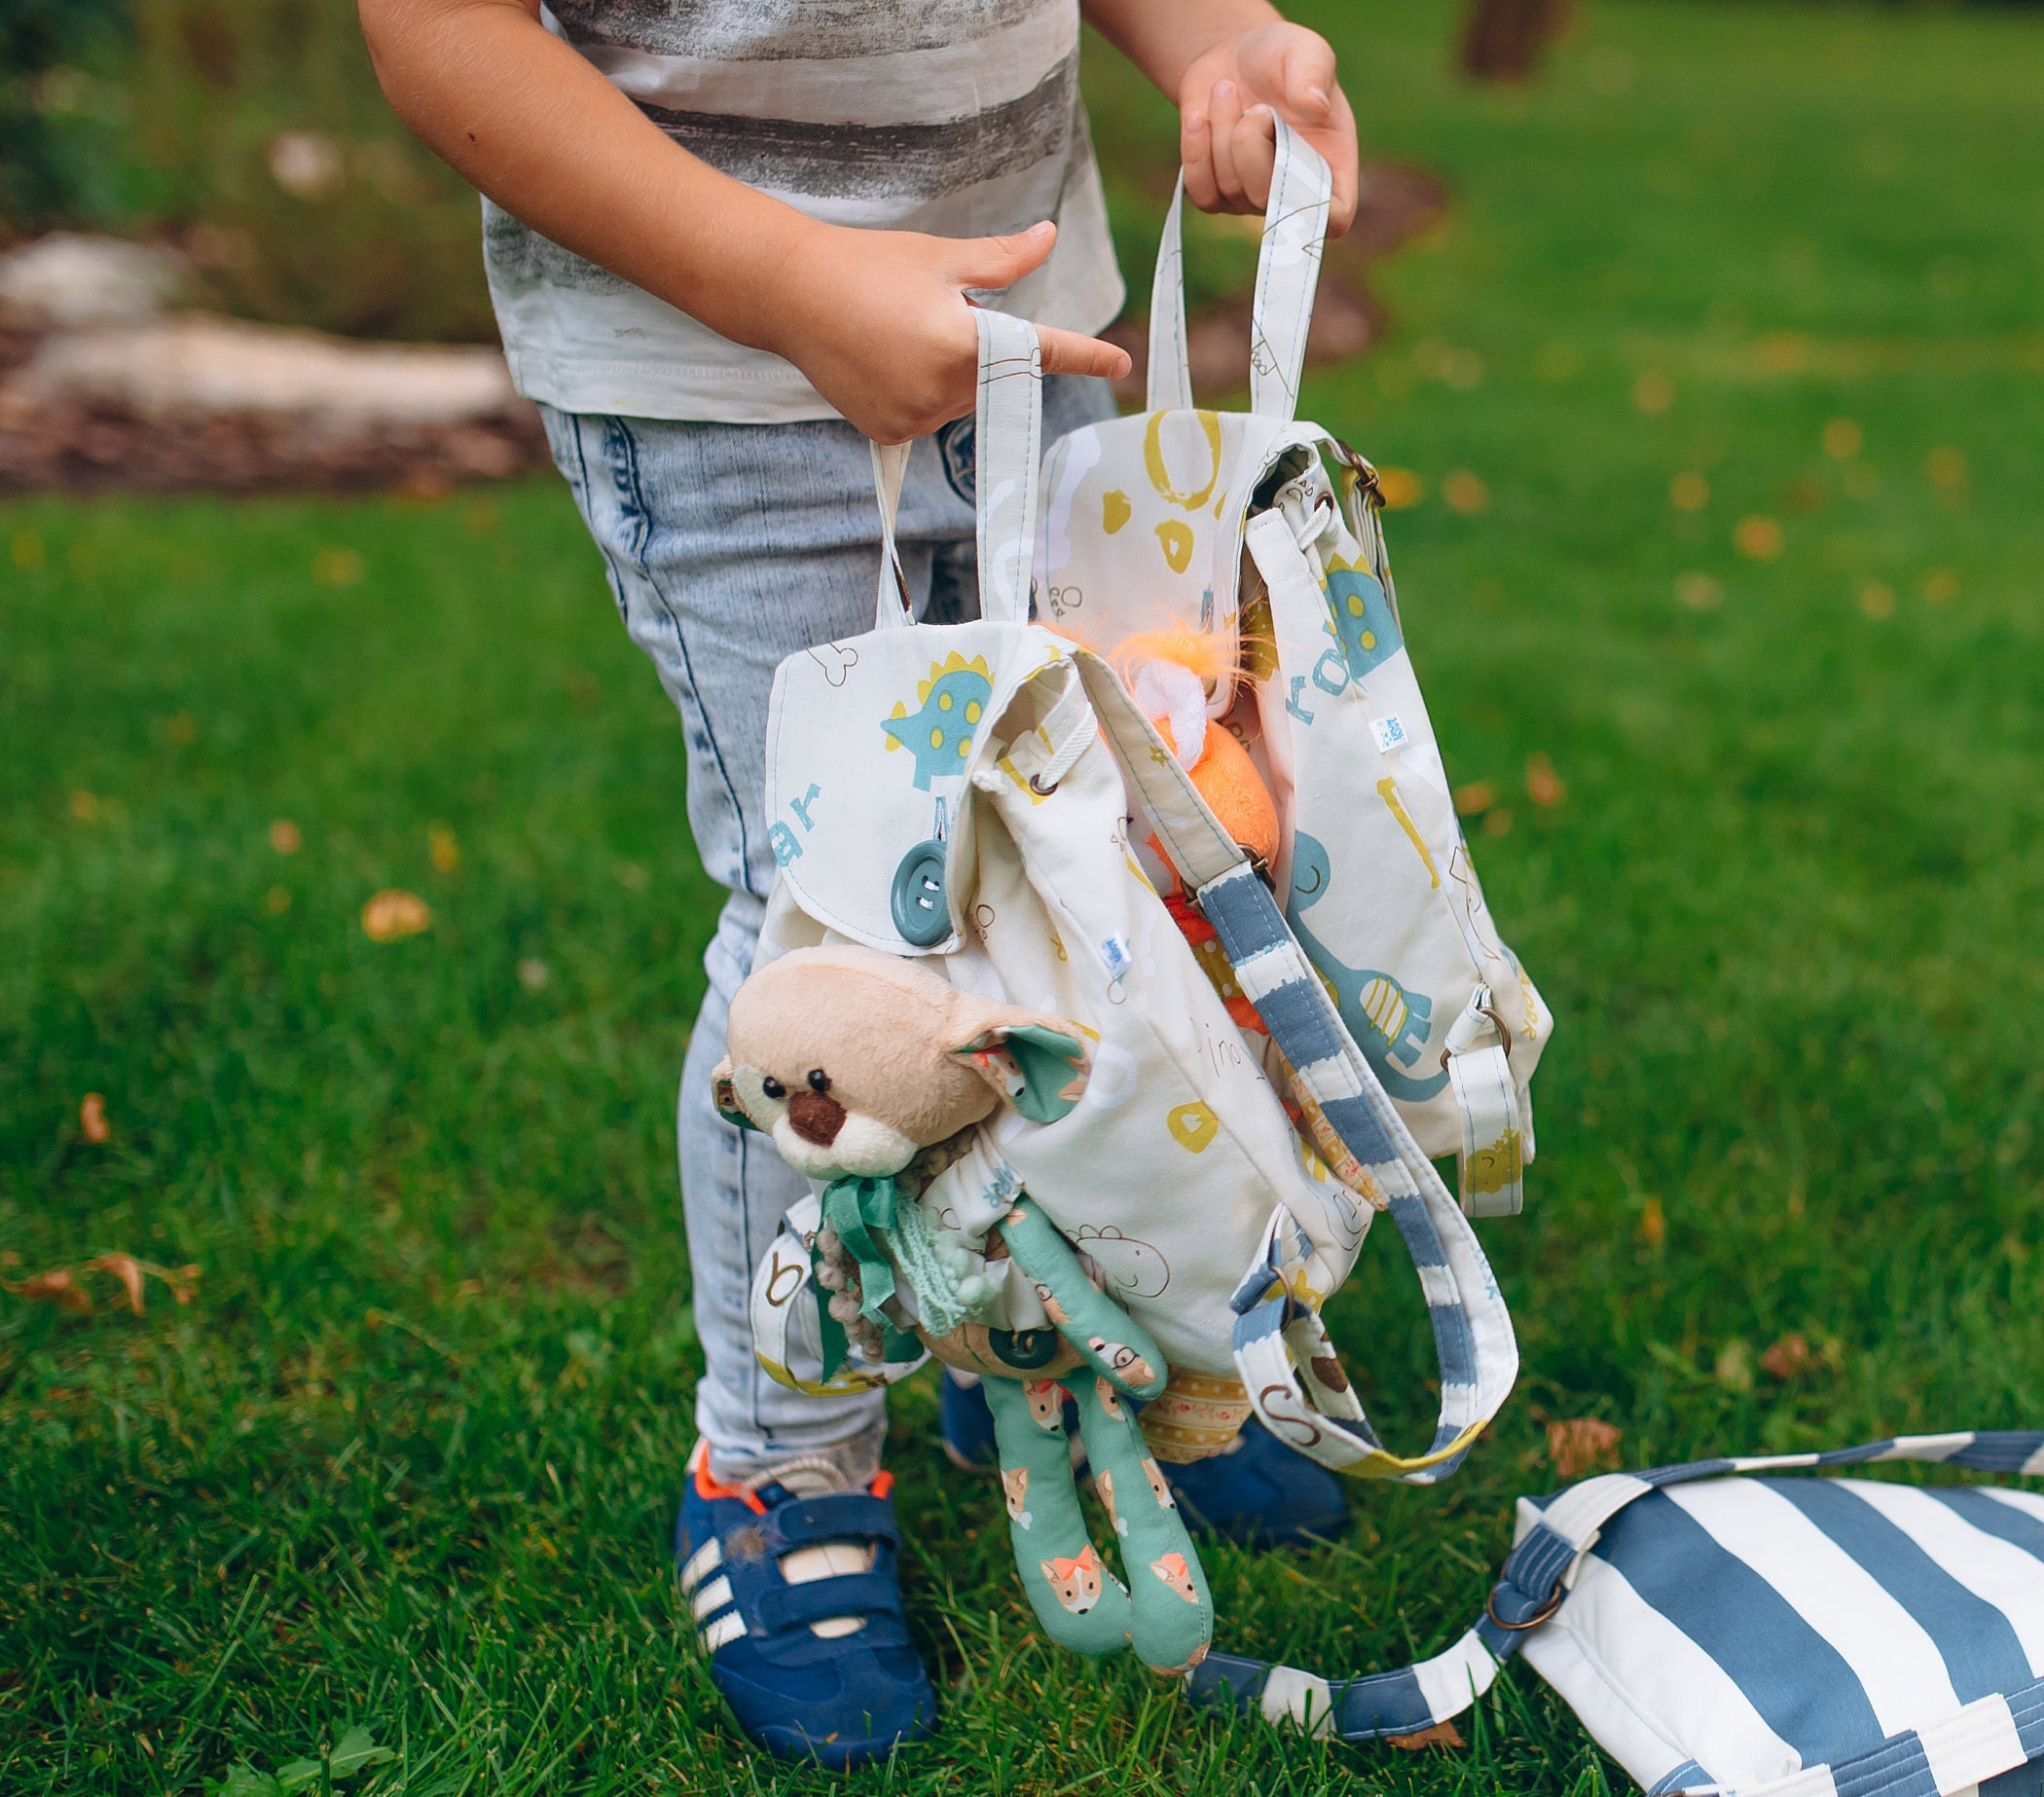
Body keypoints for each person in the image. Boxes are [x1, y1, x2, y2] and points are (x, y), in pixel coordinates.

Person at [359, 0, 1362, 1768]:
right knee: (833, 943)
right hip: (726, 383)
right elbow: (442, 33)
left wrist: (1222, 44)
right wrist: (787, 282)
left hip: (1036, 335)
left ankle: (1039, 1341)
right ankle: (780, 1463)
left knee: (1072, 873)